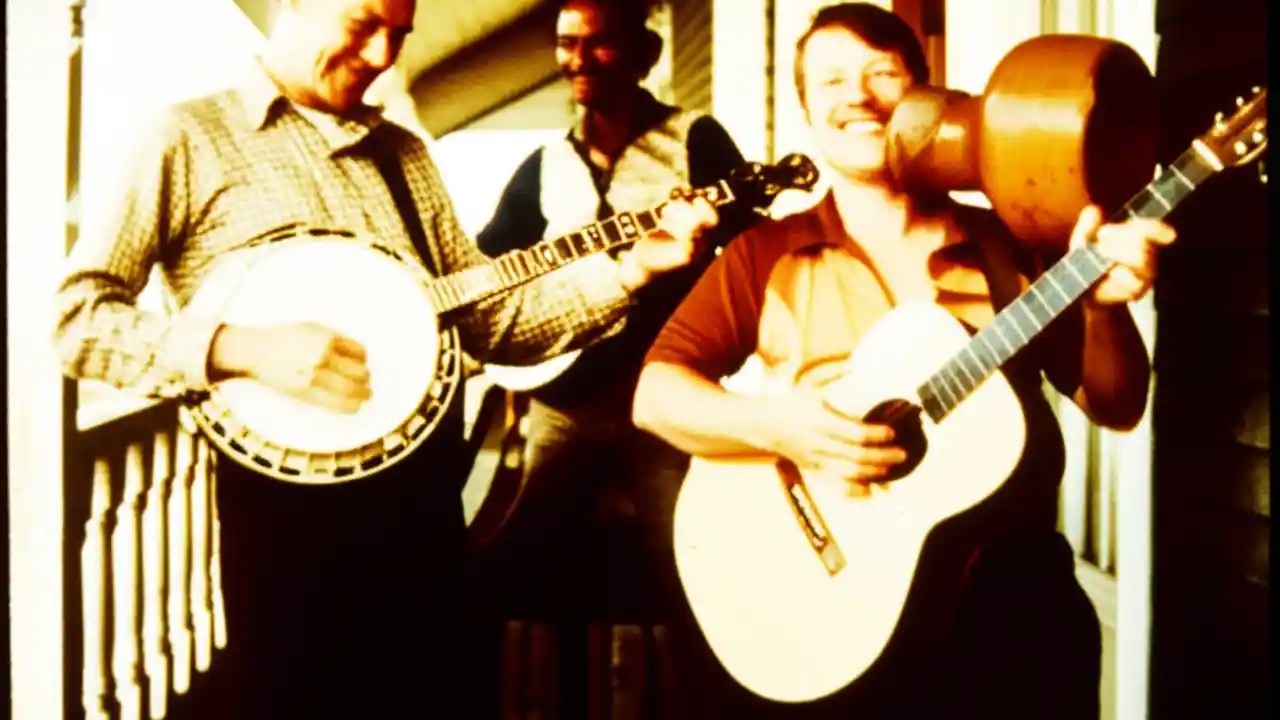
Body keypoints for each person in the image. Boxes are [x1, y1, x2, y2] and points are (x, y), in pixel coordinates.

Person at [52, 0, 717, 717]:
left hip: (421, 510)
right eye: (363, 26)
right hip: (288, 529)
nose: (380, 58)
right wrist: (236, 348)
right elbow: (77, 319)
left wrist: (631, 272)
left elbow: (494, 321)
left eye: (397, 36)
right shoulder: (187, 139)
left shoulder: (403, 154)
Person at [632, 3, 1176, 719]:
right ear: (807, 110)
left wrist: (1104, 308)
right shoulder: (762, 254)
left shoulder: (1009, 242)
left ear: (923, 93)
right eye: (830, 82)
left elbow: (1118, 404)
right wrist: (786, 428)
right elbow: (656, 395)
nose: (857, 97)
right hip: (850, 616)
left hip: (1011, 620)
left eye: (882, 75)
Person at [465, 0, 753, 716]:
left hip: (667, 396)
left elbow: (750, 247)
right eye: (567, 43)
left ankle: (716, 702)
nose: (579, 60)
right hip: (566, 400)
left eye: (599, 44)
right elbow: (487, 265)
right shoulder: (544, 164)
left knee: (693, 566)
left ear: (642, 54)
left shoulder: (694, 139)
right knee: (511, 558)